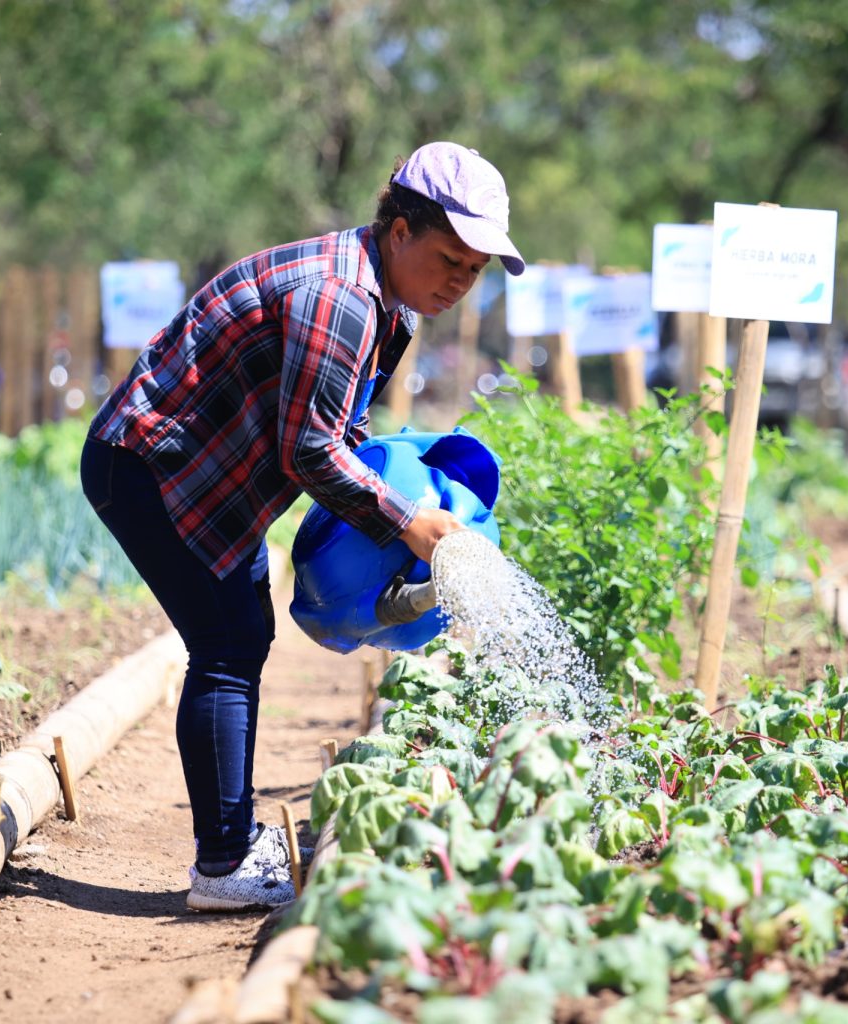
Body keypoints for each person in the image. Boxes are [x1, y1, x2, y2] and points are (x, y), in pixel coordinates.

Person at [81, 142, 526, 911]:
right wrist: (409, 523)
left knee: (243, 635)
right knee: (226, 644)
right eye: (450, 259)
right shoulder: (343, 298)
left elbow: (335, 429)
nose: (460, 281)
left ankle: (230, 844)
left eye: (475, 270)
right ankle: (223, 865)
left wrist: (399, 512)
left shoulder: (389, 304)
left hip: (212, 475)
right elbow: (310, 450)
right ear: (400, 230)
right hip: (154, 466)